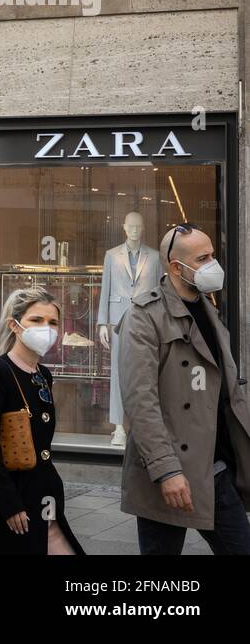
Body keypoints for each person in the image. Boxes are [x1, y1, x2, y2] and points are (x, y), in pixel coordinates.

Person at [120, 223, 250, 554]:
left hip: (215, 468)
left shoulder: (209, 308)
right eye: (203, 258)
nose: (213, 265)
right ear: (177, 267)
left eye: (212, 255)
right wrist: (166, 471)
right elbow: (140, 401)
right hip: (170, 471)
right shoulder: (144, 315)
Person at [0, 287, 85, 555]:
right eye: (36, 321)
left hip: (41, 494)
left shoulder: (43, 375)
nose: (46, 329)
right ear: (15, 325)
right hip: (4, 502)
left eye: (52, 323)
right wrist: (9, 504)